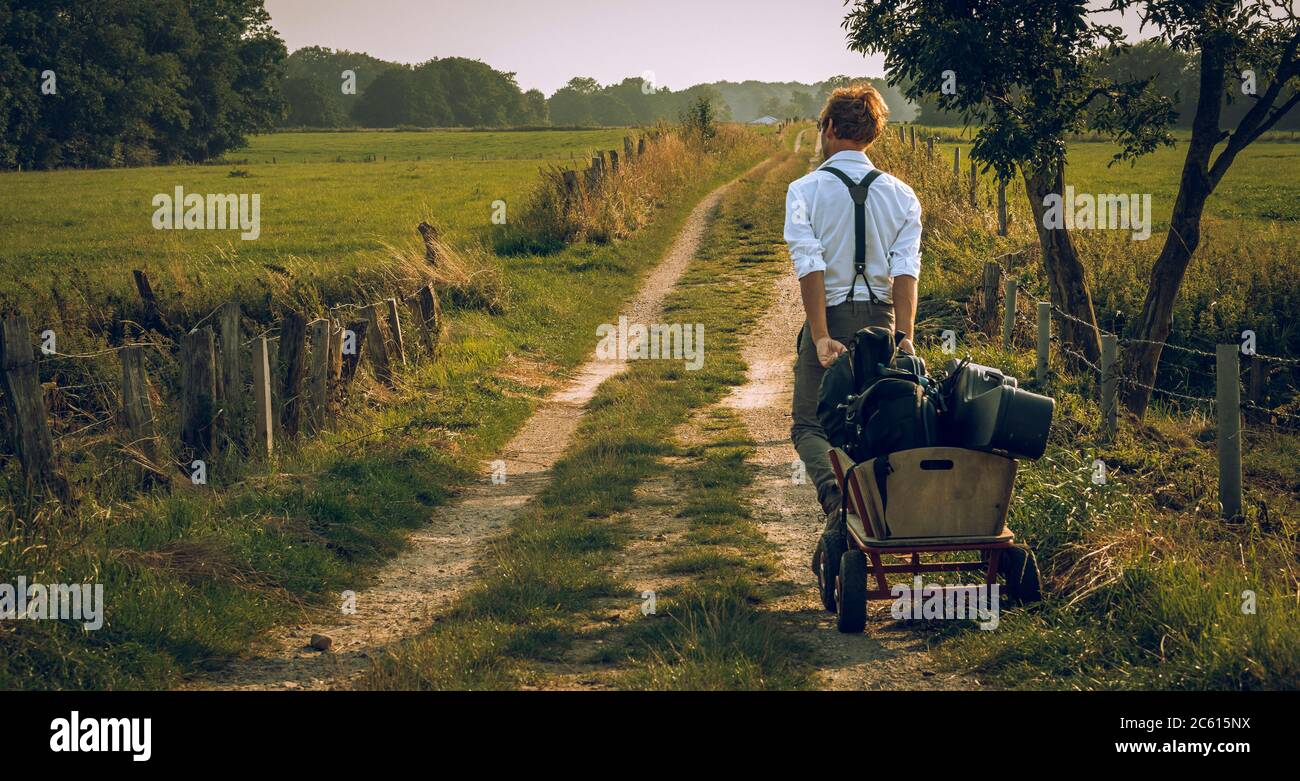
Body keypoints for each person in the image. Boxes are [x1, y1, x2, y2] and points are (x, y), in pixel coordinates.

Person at [783, 84, 923, 546]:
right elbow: (905, 272)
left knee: (809, 424)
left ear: (828, 128)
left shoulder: (803, 191)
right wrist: (905, 337)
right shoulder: (903, 196)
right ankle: (880, 512)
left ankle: (838, 502)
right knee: (875, 419)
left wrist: (821, 336)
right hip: (882, 323)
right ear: (873, 134)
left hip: (834, 317)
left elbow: (811, 264)